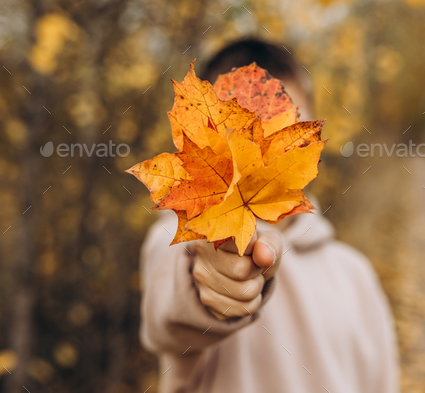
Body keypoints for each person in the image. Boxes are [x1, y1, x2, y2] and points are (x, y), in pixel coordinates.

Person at [139, 38, 399, 393]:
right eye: (246, 126)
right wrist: (208, 287)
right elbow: (170, 303)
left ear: (310, 135)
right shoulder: (181, 240)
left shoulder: (355, 275)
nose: (260, 147)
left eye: (283, 121)